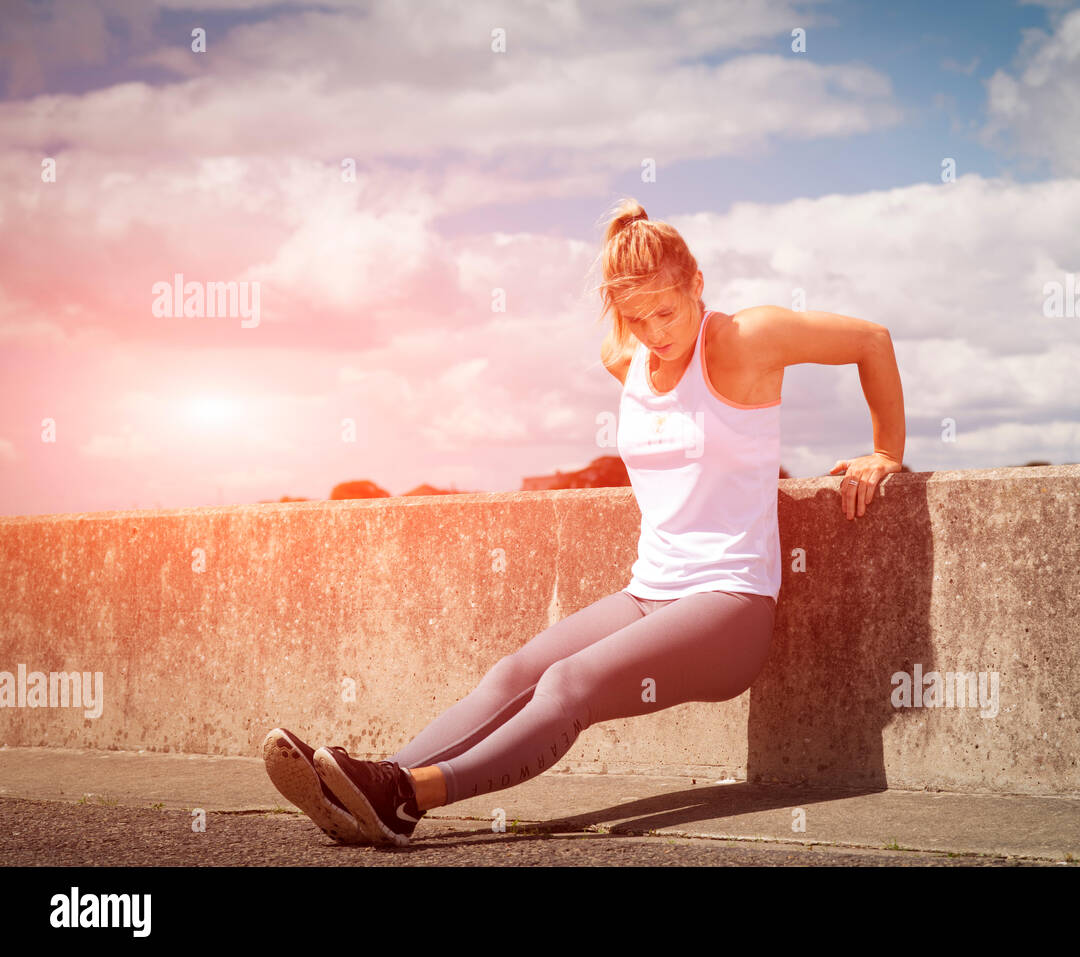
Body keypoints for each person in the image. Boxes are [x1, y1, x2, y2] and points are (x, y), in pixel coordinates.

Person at [263, 198, 906, 845]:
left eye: (667, 310)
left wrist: (886, 450)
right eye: (637, 317)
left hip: (728, 604)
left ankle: (409, 796)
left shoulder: (745, 339)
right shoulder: (624, 360)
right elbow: (630, 340)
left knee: (571, 683)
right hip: (647, 591)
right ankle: (374, 781)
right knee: (514, 672)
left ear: (698, 285)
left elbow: (869, 340)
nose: (655, 331)